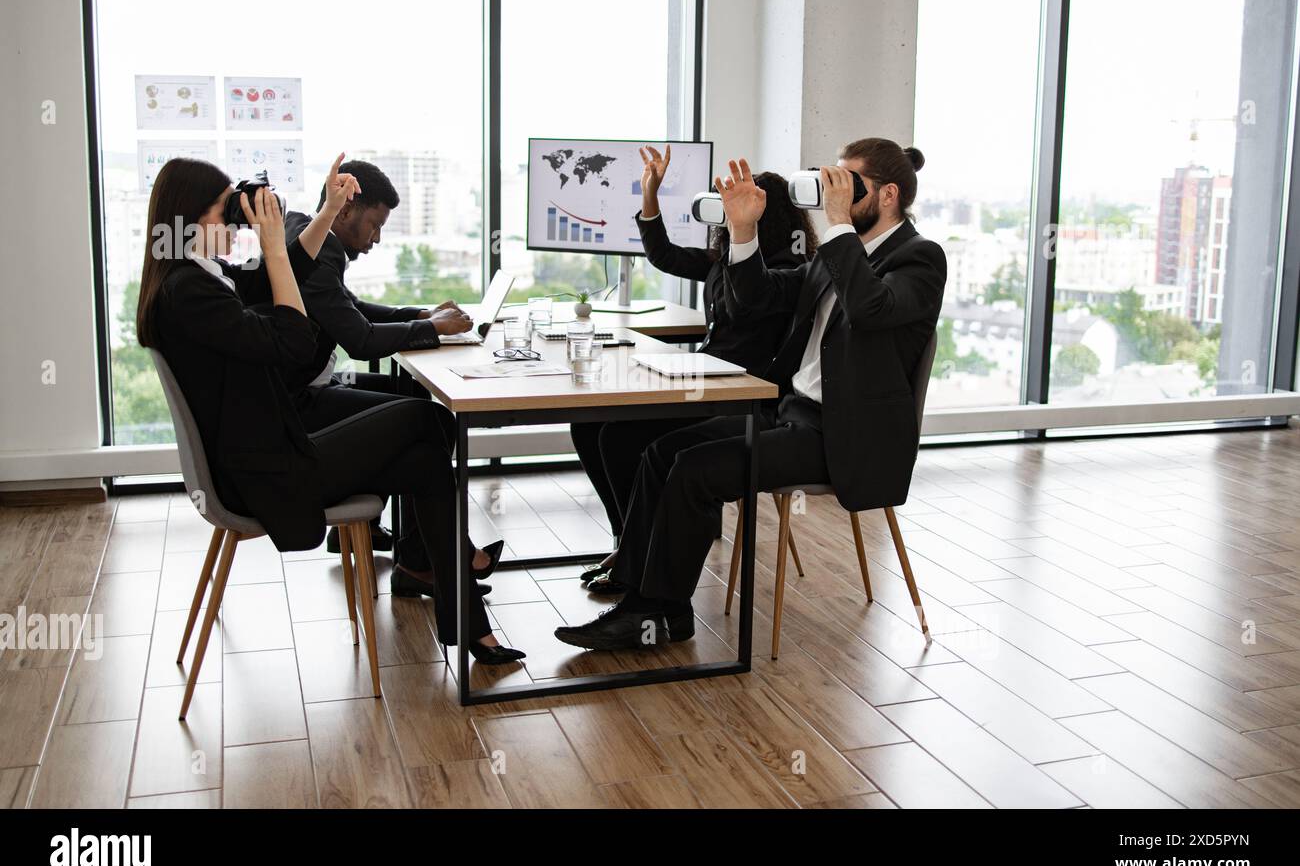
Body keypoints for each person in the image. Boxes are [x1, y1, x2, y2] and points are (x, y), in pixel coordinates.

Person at [554, 138, 946, 651]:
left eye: (848, 184)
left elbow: (869, 308)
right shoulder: (836, 256)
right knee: (661, 452)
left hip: (844, 438)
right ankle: (640, 595)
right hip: (791, 415)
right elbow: (757, 297)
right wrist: (742, 230)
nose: (834, 194)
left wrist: (837, 227)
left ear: (888, 195)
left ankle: (659, 612)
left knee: (696, 472)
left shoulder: (919, 258)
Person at [136, 158, 522, 663]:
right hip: (268, 474)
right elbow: (296, 339)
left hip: (268, 448)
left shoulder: (200, 279)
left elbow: (290, 271)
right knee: (425, 419)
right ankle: (456, 601)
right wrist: (271, 245)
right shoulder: (189, 294)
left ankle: (468, 623)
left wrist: (326, 212)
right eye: (223, 209)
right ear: (187, 219)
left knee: (424, 455)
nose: (234, 221)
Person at [569, 145, 818, 593]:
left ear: (765, 215)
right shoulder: (722, 262)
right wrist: (651, 194)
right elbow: (663, 254)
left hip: (740, 396)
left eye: (736, 208)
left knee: (620, 435)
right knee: (590, 425)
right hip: (704, 384)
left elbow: (752, 298)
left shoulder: (785, 271)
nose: (724, 216)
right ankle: (629, 539)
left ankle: (639, 550)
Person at [281, 156, 502, 595]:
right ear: (344, 210)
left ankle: (418, 553)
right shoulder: (320, 252)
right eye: (374, 225)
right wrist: (431, 329)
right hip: (299, 403)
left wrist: (421, 316)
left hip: (304, 387)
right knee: (431, 420)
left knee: (408, 402)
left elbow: (350, 308)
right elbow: (360, 340)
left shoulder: (306, 234)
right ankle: (424, 557)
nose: (377, 238)